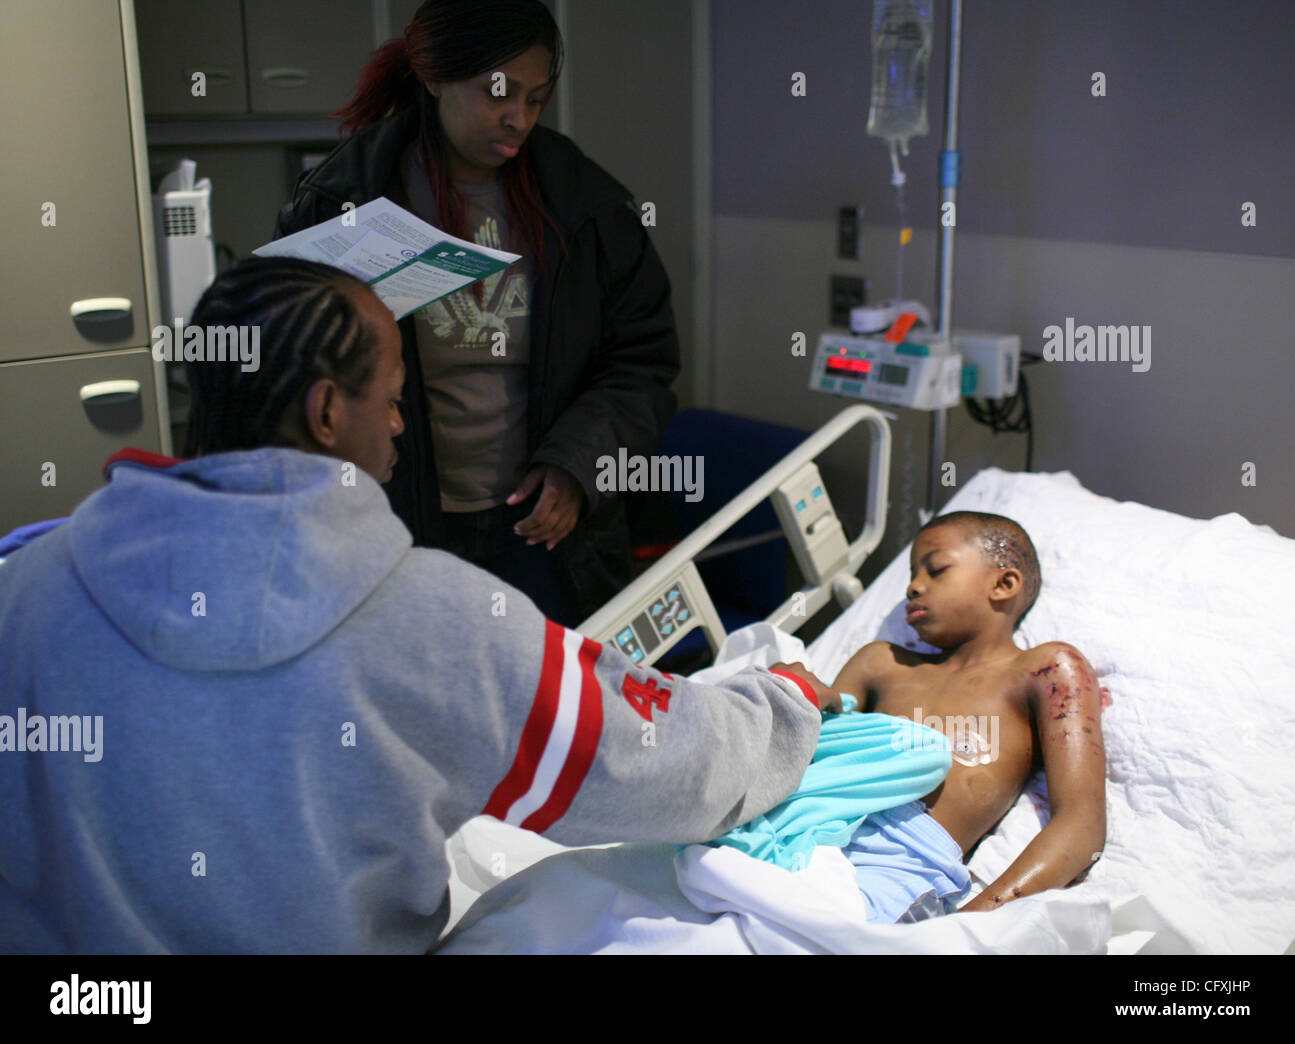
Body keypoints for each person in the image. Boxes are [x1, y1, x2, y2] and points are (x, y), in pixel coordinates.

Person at [0, 258, 840, 954]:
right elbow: (663, 764)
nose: (401, 425)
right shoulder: (436, 623)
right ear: (328, 413)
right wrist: (784, 704)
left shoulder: (28, 583)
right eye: (393, 397)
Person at [273, 0, 679, 626]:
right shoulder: (341, 201)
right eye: (498, 93)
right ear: (435, 78)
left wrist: (578, 465)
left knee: (540, 684)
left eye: (536, 99)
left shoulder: (587, 208)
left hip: (539, 528)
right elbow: (286, 369)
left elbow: (642, 363)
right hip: (395, 523)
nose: (520, 119)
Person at [829, 511, 1107, 920]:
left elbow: (1082, 826)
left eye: (936, 568)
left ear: (1003, 584)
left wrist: (969, 924)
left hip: (893, 872)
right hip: (806, 833)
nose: (913, 586)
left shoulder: (1044, 669)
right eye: (911, 574)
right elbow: (809, 746)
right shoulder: (880, 663)